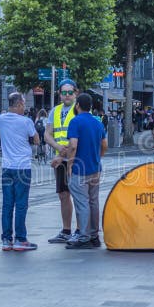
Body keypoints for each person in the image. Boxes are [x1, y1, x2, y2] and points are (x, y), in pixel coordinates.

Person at [65, 93, 108, 249]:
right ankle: (94, 235)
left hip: (79, 169)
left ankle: (84, 236)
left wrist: (70, 165)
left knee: (82, 202)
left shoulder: (75, 122)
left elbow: (73, 145)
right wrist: (98, 158)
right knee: (93, 201)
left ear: (77, 105)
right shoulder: (98, 123)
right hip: (95, 168)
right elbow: (105, 145)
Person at [0, 92, 39, 252]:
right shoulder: (26, 121)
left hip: (7, 167)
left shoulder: (2, 119)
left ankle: (6, 240)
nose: (25, 107)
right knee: (21, 204)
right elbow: (36, 139)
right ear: (20, 104)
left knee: (7, 204)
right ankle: (20, 239)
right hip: (22, 167)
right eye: (24, 104)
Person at [45, 79, 79, 243]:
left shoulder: (79, 110)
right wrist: (59, 148)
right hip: (61, 159)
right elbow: (47, 134)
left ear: (75, 93)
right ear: (59, 94)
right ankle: (66, 231)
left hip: (76, 158)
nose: (66, 95)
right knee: (63, 195)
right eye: (63, 92)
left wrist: (63, 151)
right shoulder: (55, 111)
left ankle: (81, 231)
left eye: (69, 92)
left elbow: (79, 136)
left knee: (79, 195)